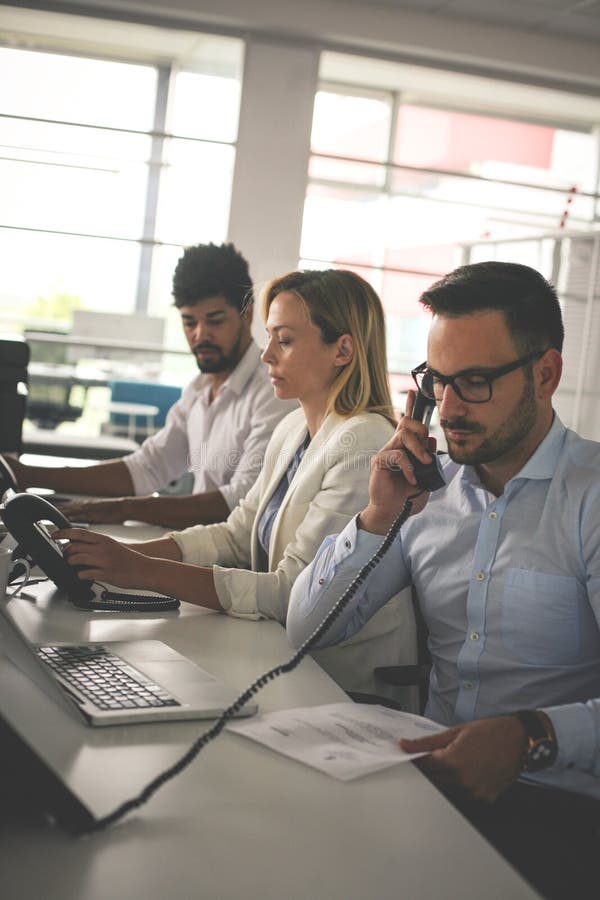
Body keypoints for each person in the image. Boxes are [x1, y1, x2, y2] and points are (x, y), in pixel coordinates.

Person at [286, 261, 600, 900]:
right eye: (437, 381)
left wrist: (530, 737)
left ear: (546, 374)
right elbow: (307, 630)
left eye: (476, 382)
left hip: (560, 809)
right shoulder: (426, 492)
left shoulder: (588, 500)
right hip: (427, 790)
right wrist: (377, 516)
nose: (449, 408)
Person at [54, 269, 415, 694]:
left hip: (342, 684)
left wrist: (140, 571)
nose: (266, 357)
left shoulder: (363, 442)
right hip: (285, 659)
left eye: (284, 340)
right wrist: (116, 558)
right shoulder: (295, 427)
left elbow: (290, 593)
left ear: (343, 350)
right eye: (270, 338)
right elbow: (237, 534)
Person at [5, 243, 296, 528]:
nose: (200, 335)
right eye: (189, 322)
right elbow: (147, 467)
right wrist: (27, 475)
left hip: (235, 565)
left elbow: (239, 502)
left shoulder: (272, 392)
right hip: (202, 546)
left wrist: (118, 509)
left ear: (246, 315)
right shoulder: (198, 389)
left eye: (215, 321)